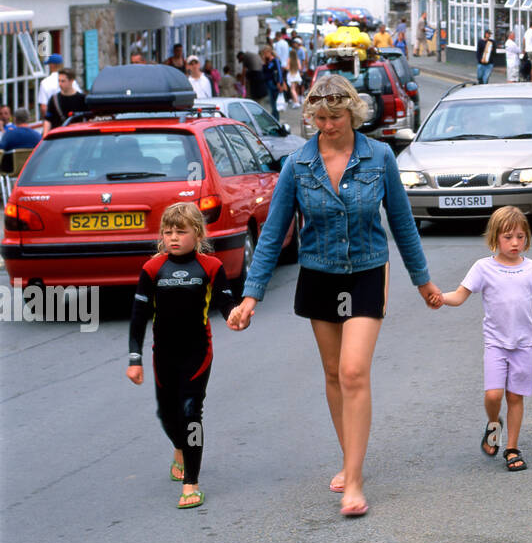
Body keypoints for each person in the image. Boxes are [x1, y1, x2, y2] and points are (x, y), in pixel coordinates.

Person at [226, 74, 444, 517]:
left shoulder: (380, 157)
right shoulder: (297, 166)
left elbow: (401, 223)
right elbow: (272, 234)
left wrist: (423, 281)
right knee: (332, 373)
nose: (327, 125)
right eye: (319, 118)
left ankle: (356, 480)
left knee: (352, 371)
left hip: (366, 270)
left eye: (335, 117)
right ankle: (349, 459)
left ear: (353, 113)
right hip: (319, 273)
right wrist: (252, 296)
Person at [127, 203, 240, 510]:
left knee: (191, 412)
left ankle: (191, 482)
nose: (173, 237)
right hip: (162, 353)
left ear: (198, 233)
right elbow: (139, 316)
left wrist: (234, 316)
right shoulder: (152, 269)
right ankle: (179, 446)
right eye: (167, 231)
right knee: (166, 414)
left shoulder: (210, 267)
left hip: (197, 352)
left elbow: (225, 303)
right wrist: (134, 358)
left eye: (181, 231)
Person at [437, 207, 532, 473]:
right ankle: (494, 424)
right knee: (493, 394)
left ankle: (511, 448)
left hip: (524, 344)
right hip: (496, 343)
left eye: (520, 237)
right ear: (495, 238)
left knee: (515, 396)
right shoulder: (483, 268)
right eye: (508, 237)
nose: (515, 243)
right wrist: (440, 298)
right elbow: (459, 295)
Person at [42, 68, 87, 132]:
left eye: (63, 81)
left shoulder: (82, 99)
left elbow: (89, 119)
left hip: (77, 135)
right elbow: (48, 120)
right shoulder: (54, 99)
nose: (60, 84)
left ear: (71, 81)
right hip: (58, 136)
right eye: (59, 81)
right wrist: (45, 136)